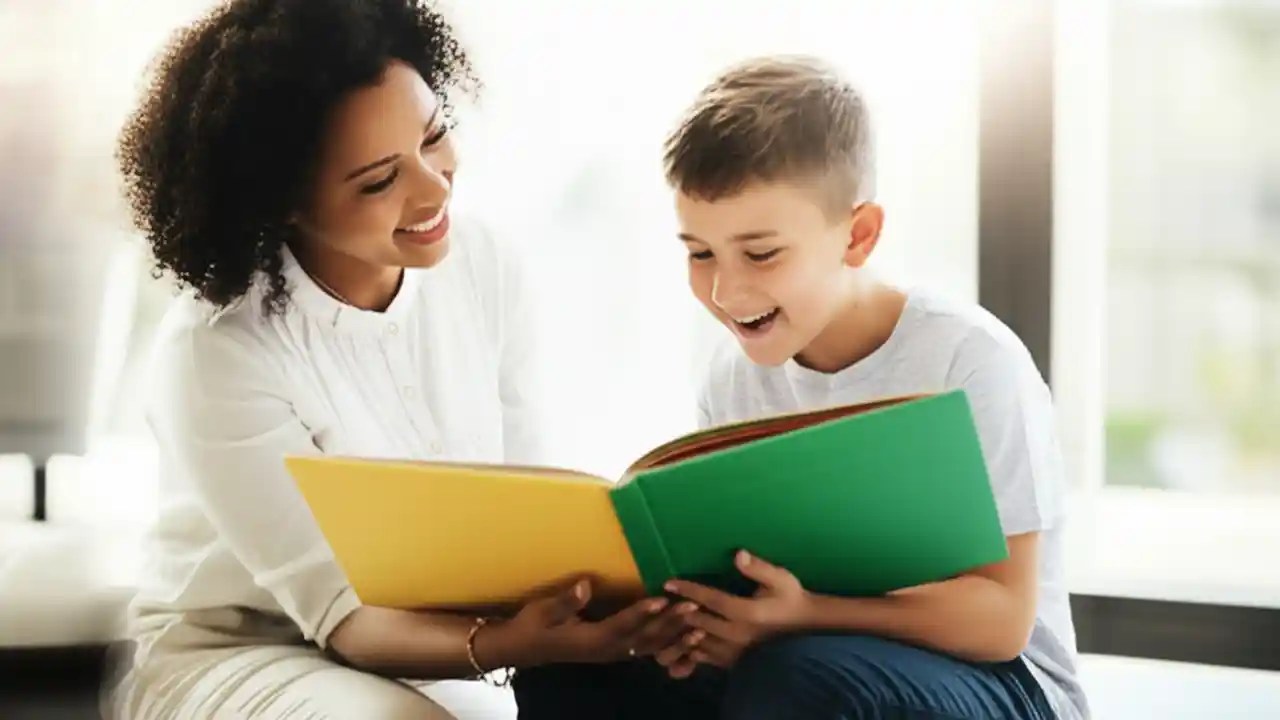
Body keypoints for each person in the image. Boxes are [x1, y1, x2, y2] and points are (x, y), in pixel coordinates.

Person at [106, 1, 682, 717]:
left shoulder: (485, 265)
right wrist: (512, 642)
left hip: (456, 640)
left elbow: (532, 522)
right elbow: (347, 620)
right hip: (246, 653)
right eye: (380, 180)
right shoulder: (217, 349)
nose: (435, 186)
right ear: (283, 202)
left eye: (434, 135)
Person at [514, 56, 1090, 720]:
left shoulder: (969, 361)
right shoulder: (733, 377)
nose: (725, 290)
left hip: (1001, 680)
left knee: (795, 682)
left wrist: (806, 614)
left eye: (761, 254)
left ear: (859, 235)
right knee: (573, 668)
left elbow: (1003, 621)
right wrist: (690, 624)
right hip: (800, 647)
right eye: (700, 253)